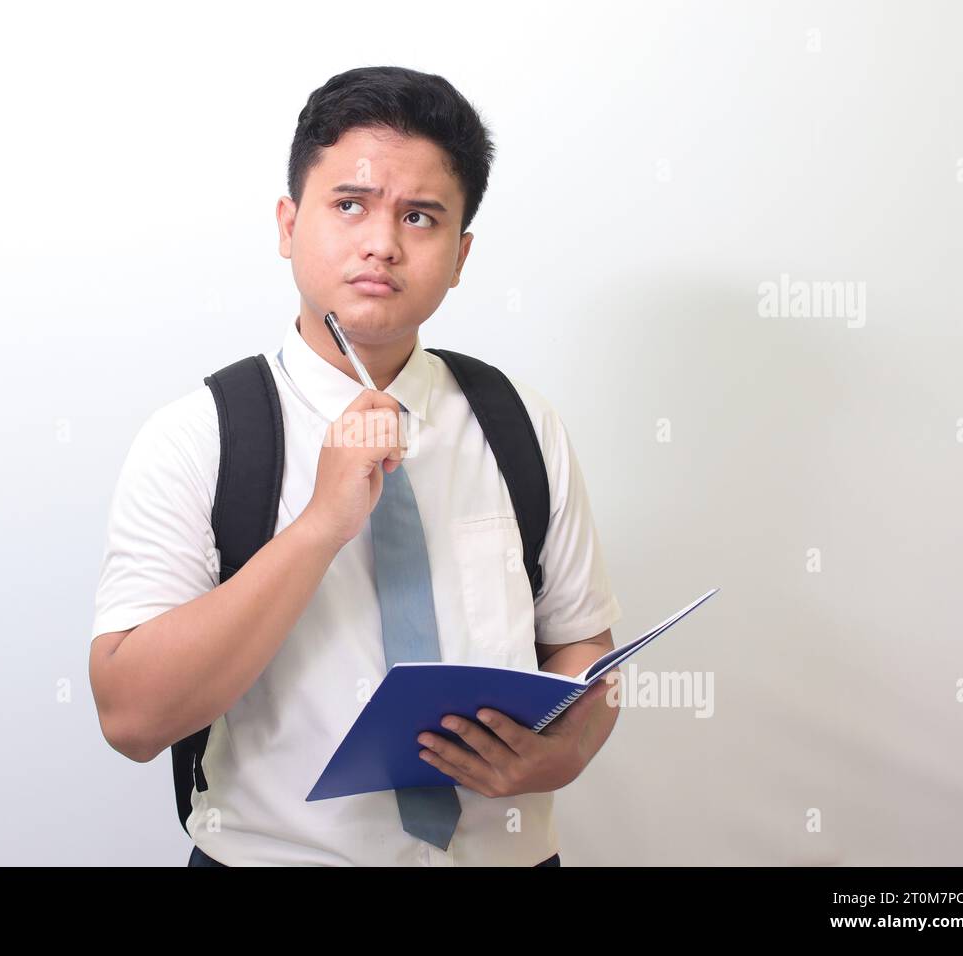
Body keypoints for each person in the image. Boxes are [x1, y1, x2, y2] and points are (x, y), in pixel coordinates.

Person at [88, 65, 623, 866]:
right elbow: (130, 719)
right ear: (287, 222)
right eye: (349, 205)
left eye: (420, 216)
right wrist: (318, 528)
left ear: (460, 254)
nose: (381, 242)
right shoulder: (199, 436)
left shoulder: (520, 422)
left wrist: (570, 750)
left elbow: (583, 650)